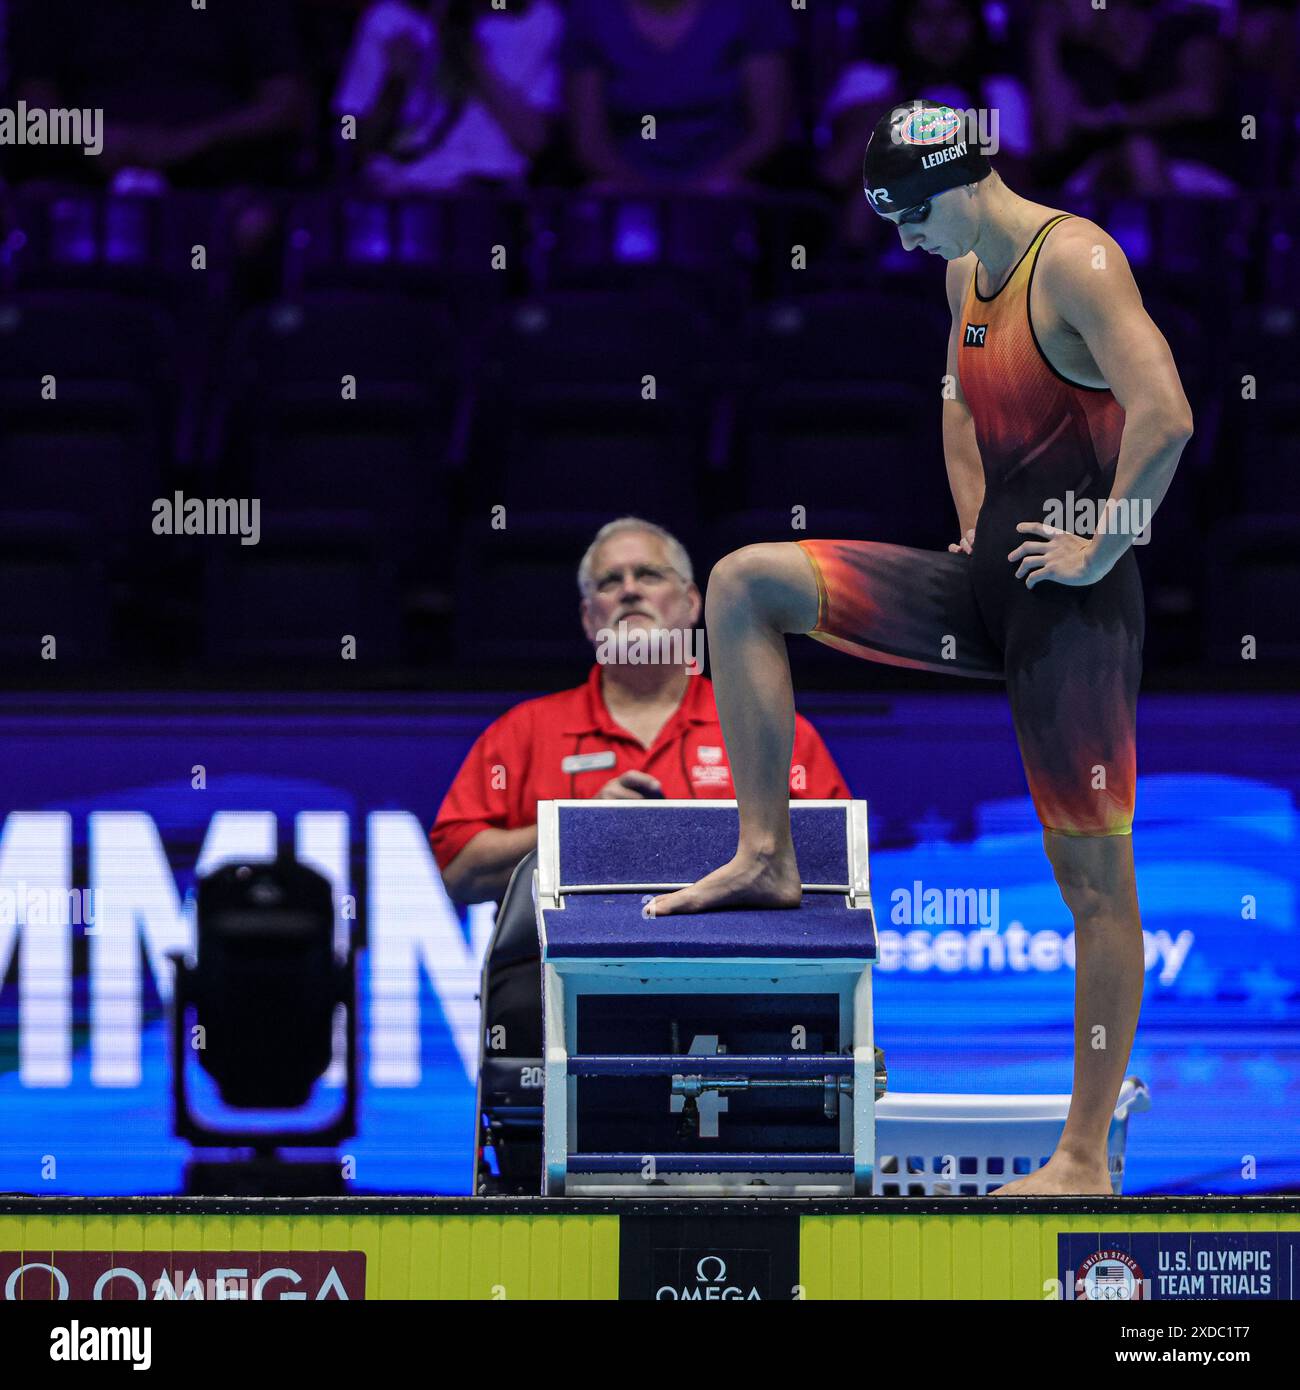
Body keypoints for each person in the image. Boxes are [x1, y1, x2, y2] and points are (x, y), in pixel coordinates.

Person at [648, 103, 1194, 1197]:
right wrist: (971, 524)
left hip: (1073, 615)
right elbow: (955, 404)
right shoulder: (964, 278)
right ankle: (767, 852)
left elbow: (1169, 415)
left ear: (954, 184)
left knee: (1094, 886)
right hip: (990, 579)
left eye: (903, 216)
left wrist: (1099, 545)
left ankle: (1082, 1157)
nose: (900, 241)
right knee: (745, 582)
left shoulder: (1074, 258)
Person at [431, 517, 850, 907]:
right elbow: (457, 872)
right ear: (588, 618)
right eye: (610, 581)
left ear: (691, 603)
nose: (630, 590)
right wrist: (574, 828)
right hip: (552, 970)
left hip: (731, 967)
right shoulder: (523, 731)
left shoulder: (768, 721)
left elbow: (840, 862)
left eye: (649, 574)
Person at [563, 0, 795, 193]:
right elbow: (589, 141)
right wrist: (639, 190)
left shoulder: (753, 8)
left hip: (728, 185)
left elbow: (768, 130)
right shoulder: (592, 11)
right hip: (621, 188)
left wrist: (709, 184)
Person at [332, 0, 563, 194]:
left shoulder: (534, 18)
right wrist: (394, 84)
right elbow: (348, 136)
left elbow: (536, 141)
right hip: (400, 192)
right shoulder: (388, 20)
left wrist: (474, 61)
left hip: (489, 194)